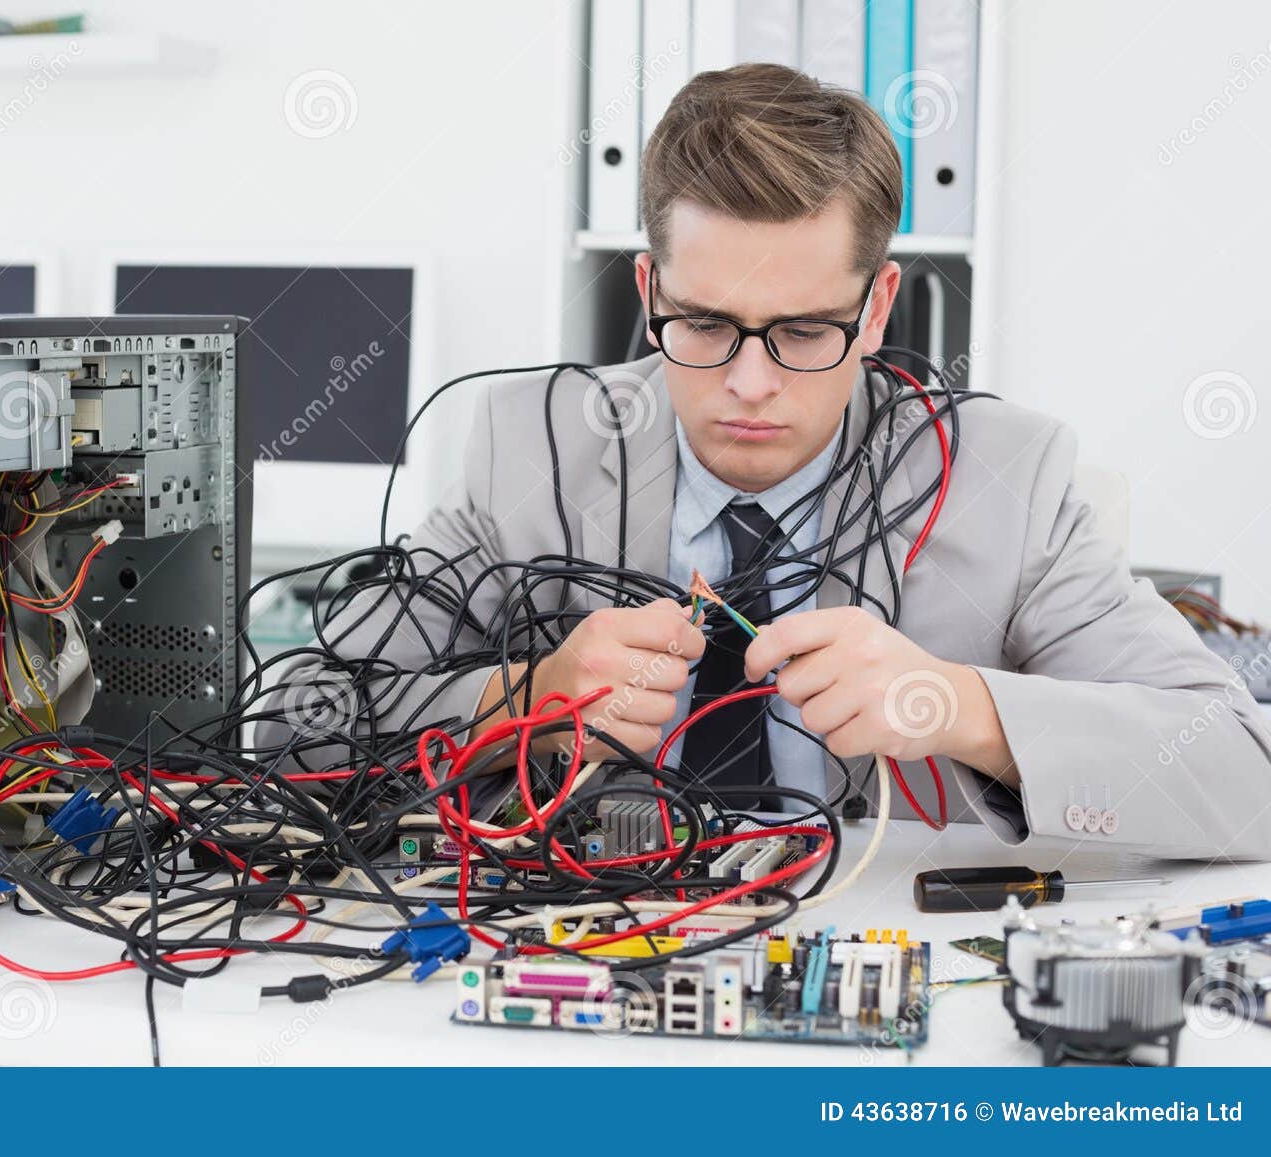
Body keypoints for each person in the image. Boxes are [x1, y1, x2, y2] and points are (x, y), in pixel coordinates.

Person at [267, 63, 1271, 859]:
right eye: (704, 323)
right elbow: (289, 722)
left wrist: (959, 707)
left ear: (876, 309)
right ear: (648, 292)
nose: (749, 383)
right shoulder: (532, 444)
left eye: (803, 331)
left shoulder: (1009, 478)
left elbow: (1245, 774)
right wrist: (529, 698)